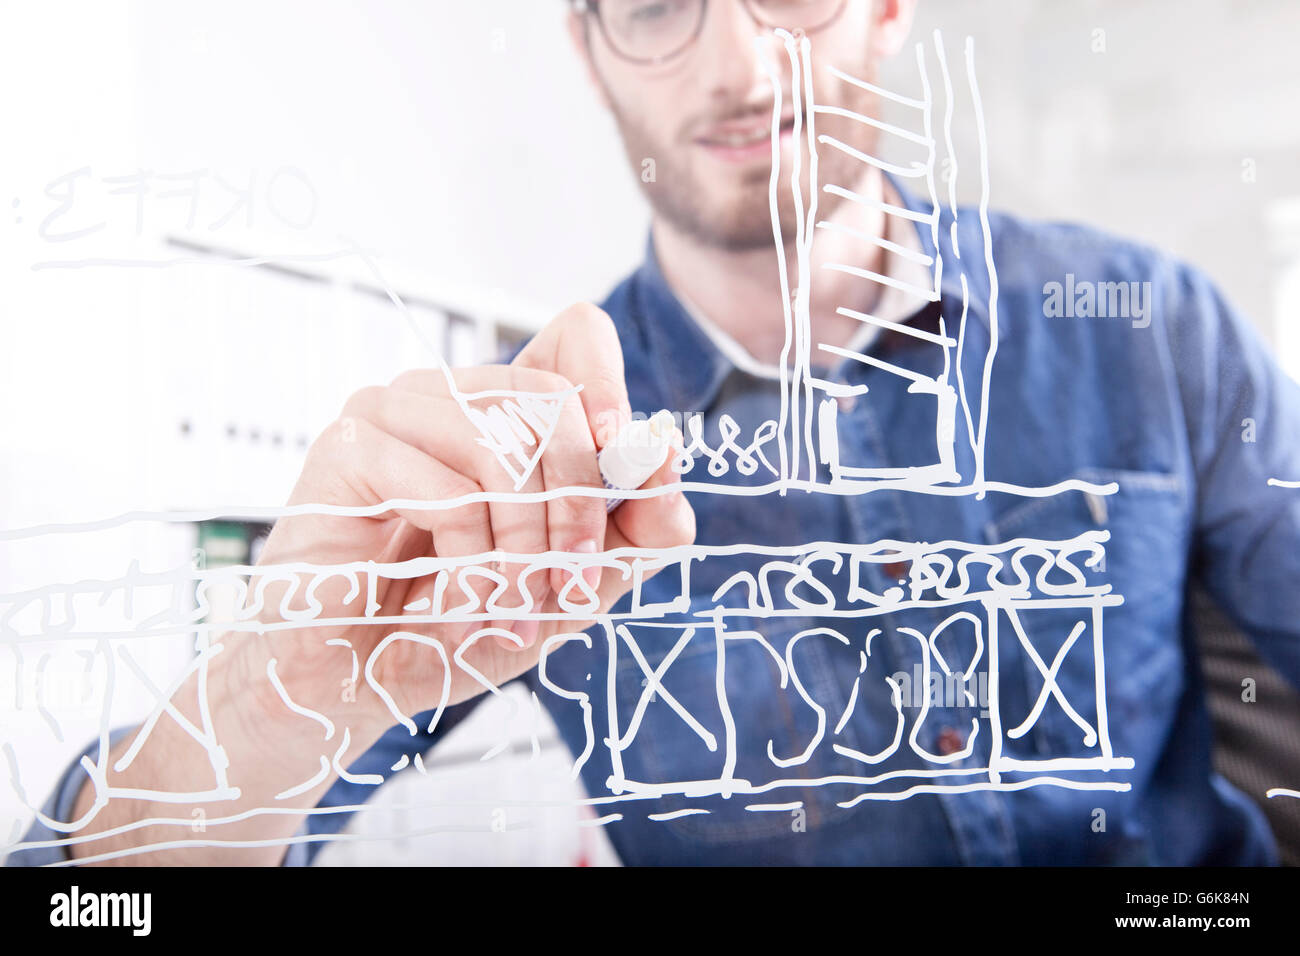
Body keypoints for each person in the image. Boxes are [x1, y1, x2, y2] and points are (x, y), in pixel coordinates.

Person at [10, 0, 1300, 866]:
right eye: (654, 2)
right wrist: (263, 690)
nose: (739, 68)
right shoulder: (508, 477)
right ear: (587, 46)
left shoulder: (1155, 330)